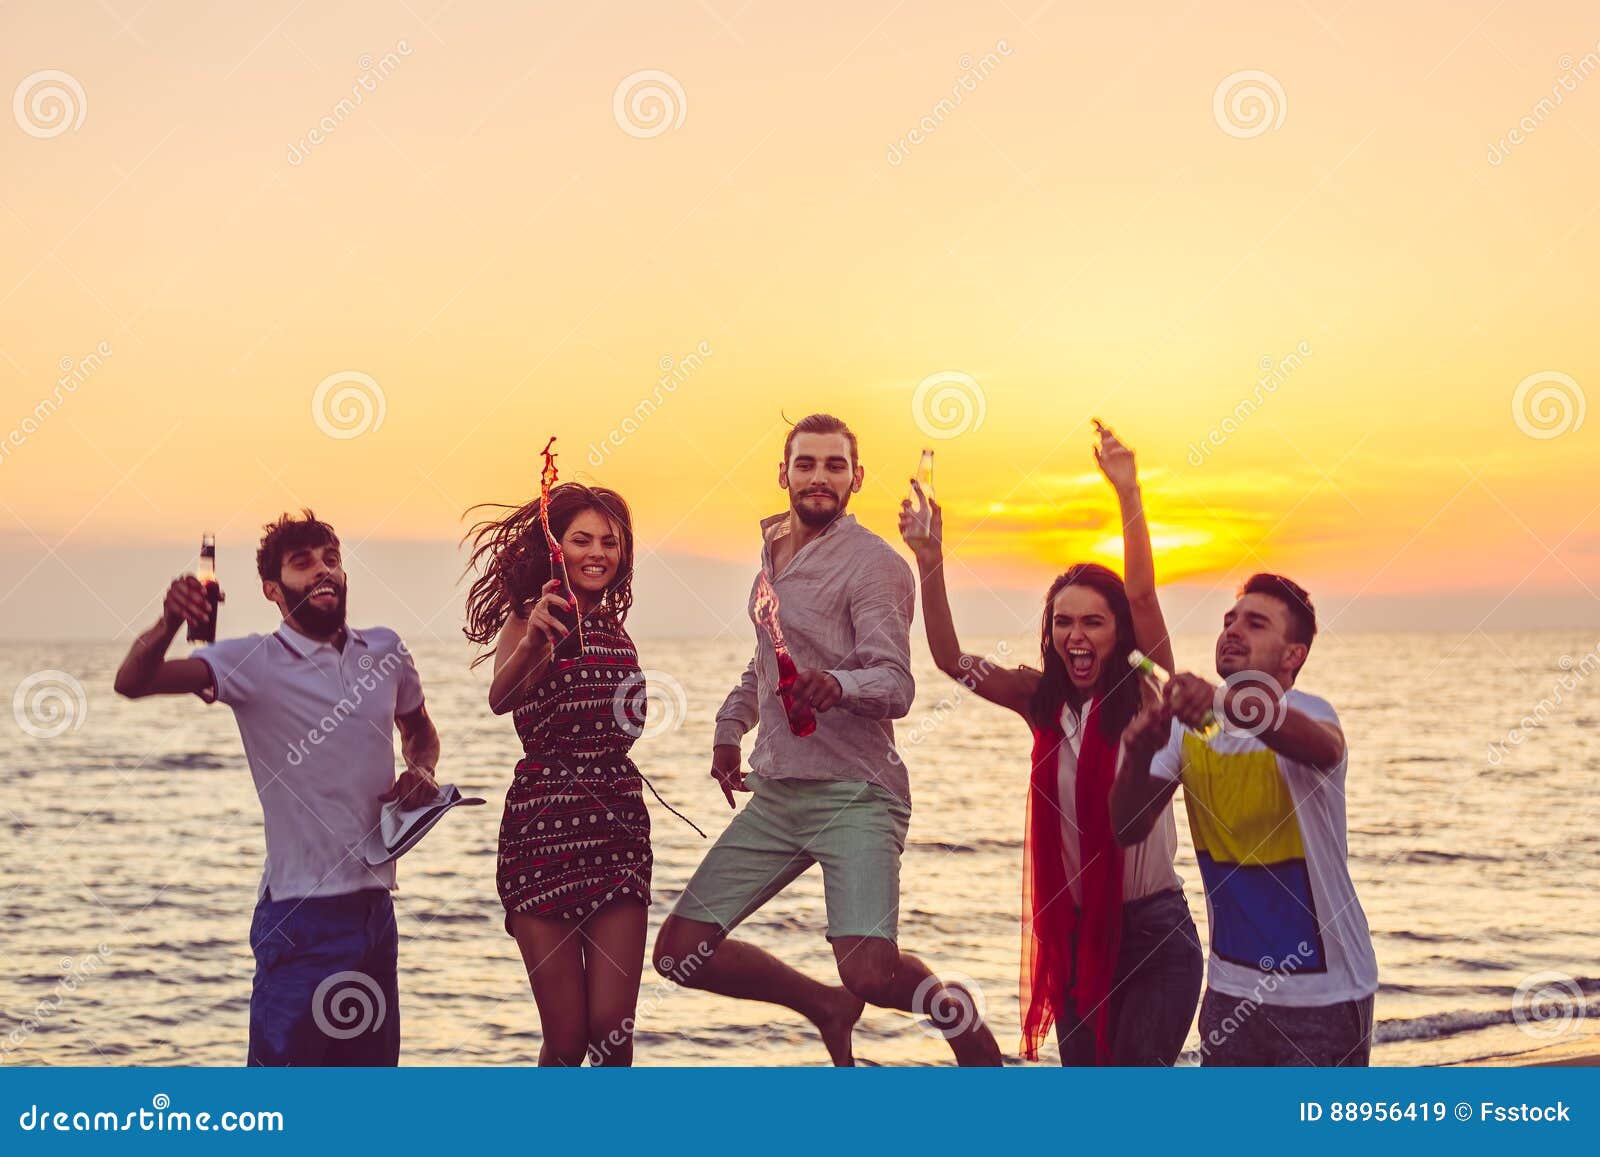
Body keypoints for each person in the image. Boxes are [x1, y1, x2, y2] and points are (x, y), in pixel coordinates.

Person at [652, 413, 1002, 1065]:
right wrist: (729, 729)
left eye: (834, 465)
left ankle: (959, 1017)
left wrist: (837, 685)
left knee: (869, 972)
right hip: (777, 794)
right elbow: (766, 662)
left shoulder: (875, 564)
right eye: (805, 463)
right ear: (783, 473)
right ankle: (823, 1004)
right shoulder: (771, 550)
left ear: (856, 477)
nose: (818, 476)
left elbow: (897, 683)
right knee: (678, 952)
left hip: (856, 796)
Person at [899, 421, 1203, 1065]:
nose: (1076, 634)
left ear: (1119, 631)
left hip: (1151, 934)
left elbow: (1145, 594)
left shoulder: (1152, 692)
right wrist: (930, 560)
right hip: (1071, 941)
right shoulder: (1040, 700)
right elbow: (952, 658)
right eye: (1063, 621)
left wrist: (1129, 492)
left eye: (1093, 620)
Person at [113, 510, 439, 1066]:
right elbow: (133, 683)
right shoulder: (251, 662)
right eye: (303, 563)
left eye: (331, 559)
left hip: (374, 912)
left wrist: (422, 773)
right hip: (299, 915)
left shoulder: (386, 651)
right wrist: (169, 621)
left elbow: (419, 729)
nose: (323, 572)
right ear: (272, 588)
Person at [1111, 573, 1379, 1066]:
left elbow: (1323, 745)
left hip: (1327, 995)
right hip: (1231, 993)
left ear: (1293, 656)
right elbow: (1127, 828)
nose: (1233, 630)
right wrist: (1135, 753)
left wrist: (1218, 699)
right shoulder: (1190, 732)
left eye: (1255, 624)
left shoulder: (1307, 711)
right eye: (1229, 620)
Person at [463, 481, 659, 1066]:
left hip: (617, 830)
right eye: (581, 540)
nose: (597, 552)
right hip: (542, 833)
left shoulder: (616, 629)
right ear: (556, 548)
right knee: (569, 1039)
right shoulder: (529, 620)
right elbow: (502, 697)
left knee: (613, 1035)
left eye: (609, 542)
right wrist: (536, 645)